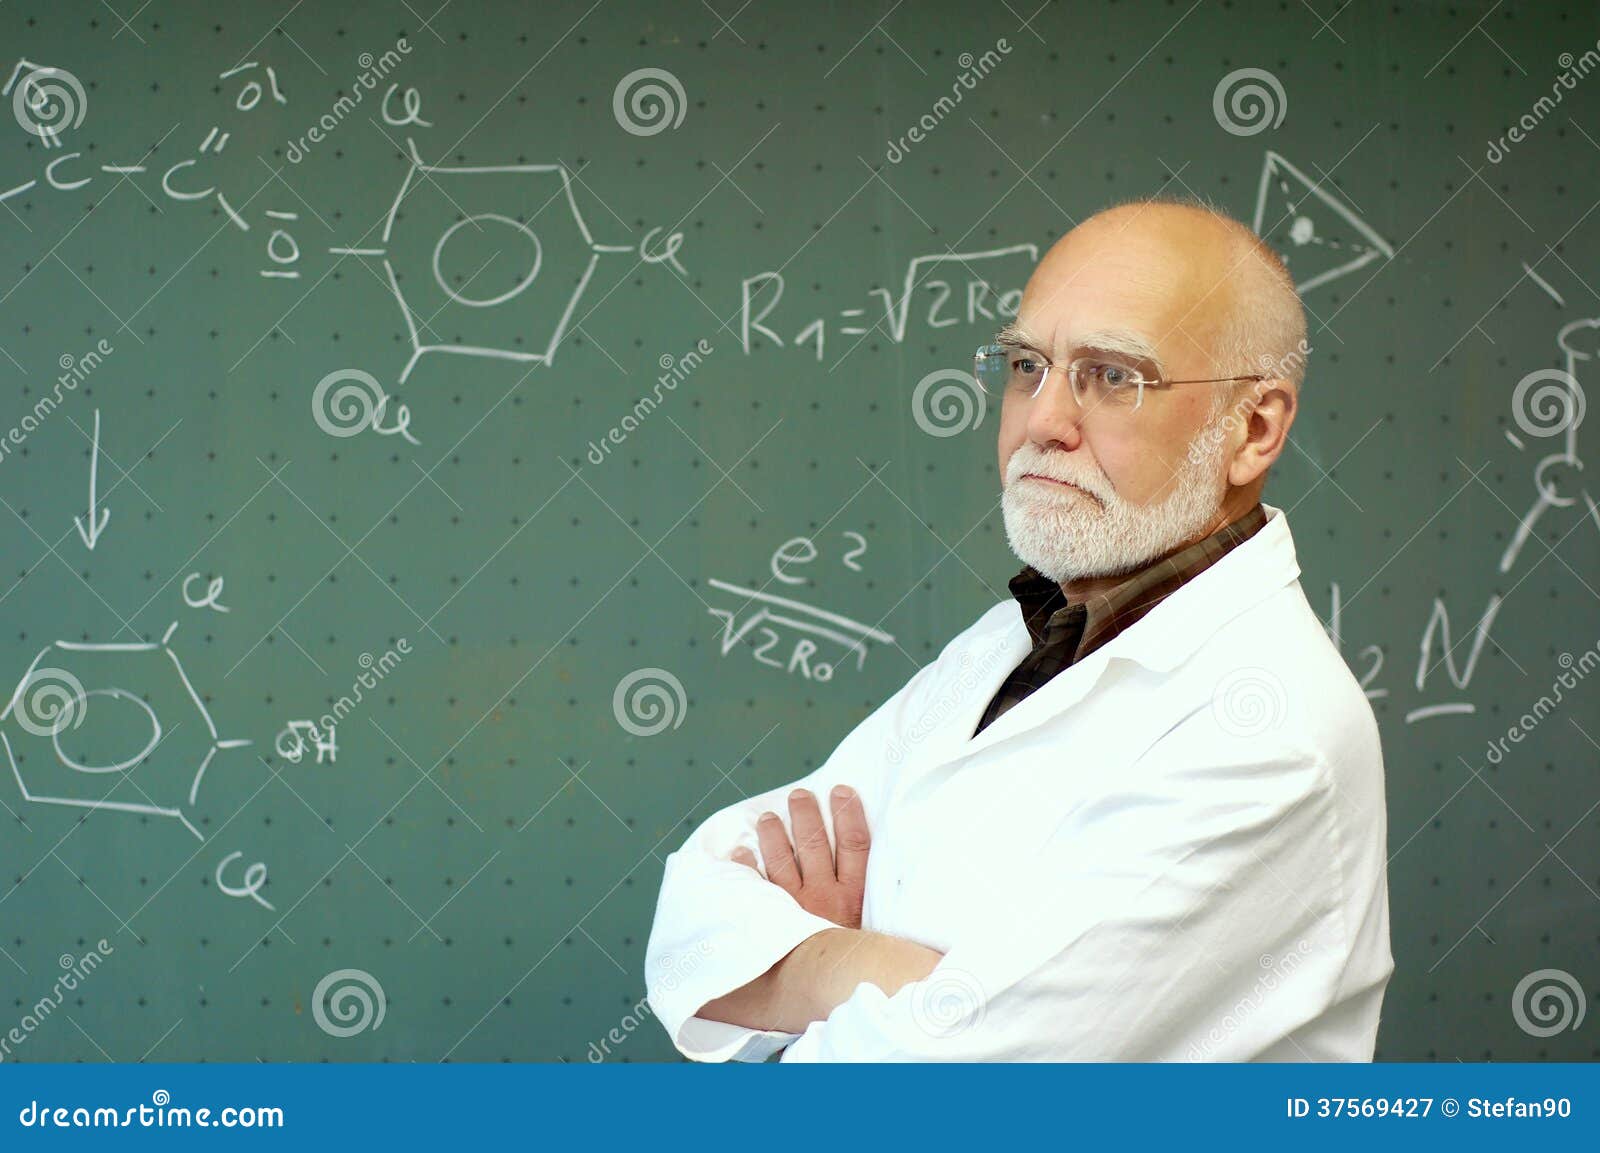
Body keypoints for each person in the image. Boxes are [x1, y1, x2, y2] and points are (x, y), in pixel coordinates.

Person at [643, 194, 1393, 1061]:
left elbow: (947, 1081)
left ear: (1252, 428)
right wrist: (873, 971)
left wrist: (806, 976)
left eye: (1113, 375)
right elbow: (696, 915)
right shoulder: (1013, 643)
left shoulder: (1267, 735)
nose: (1043, 421)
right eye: (1028, 365)